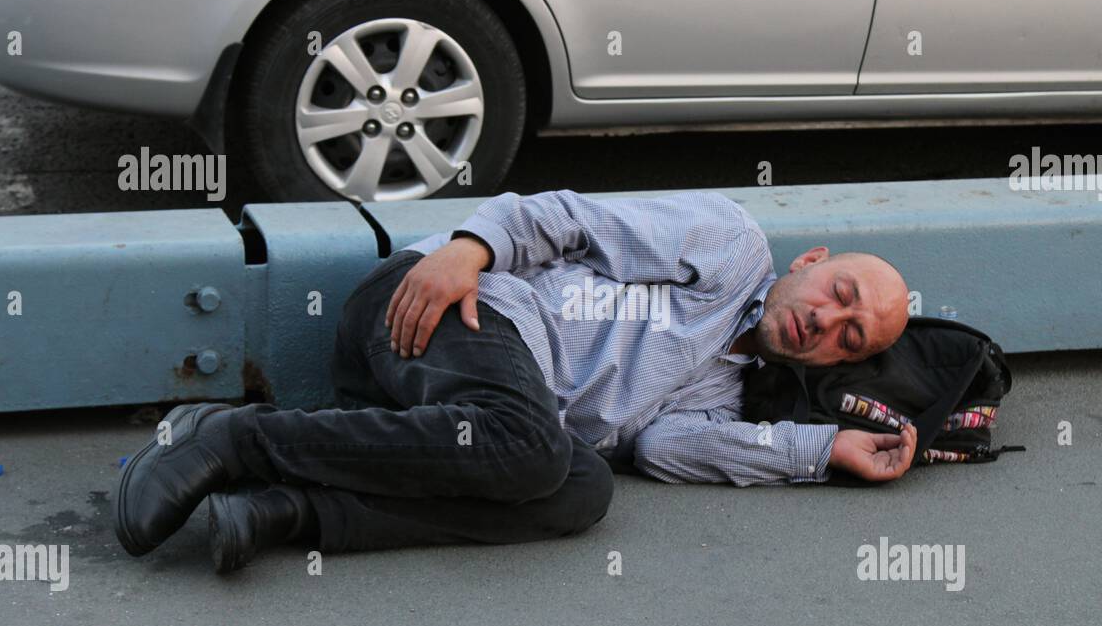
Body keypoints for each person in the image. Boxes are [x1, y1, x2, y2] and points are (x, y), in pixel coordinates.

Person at [114, 190, 915, 574]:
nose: (827, 321)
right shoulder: (731, 245)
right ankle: (229, 436)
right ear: (809, 263)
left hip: (458, 420)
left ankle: (286, 512)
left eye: (850, 338)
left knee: (584, 491)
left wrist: (822, 448)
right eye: (837, 296)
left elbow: (669, 448)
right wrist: (471, 247)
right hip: (443, 305)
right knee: (535, 447)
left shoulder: (722, 393)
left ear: (838, 363)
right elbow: (565, 216)